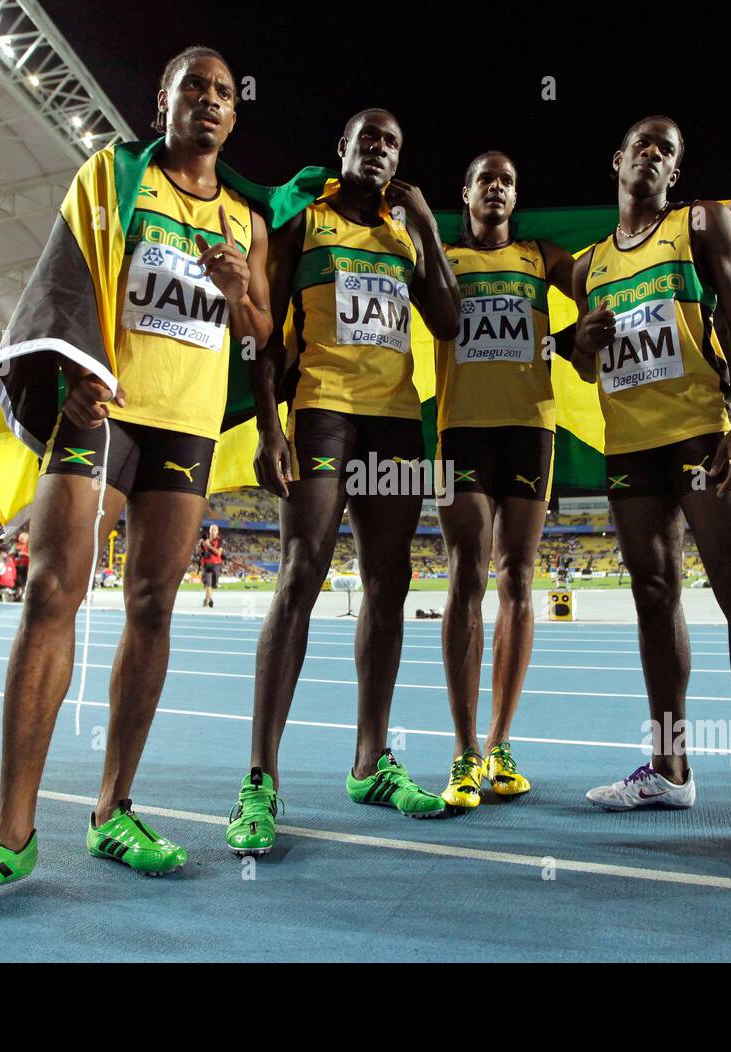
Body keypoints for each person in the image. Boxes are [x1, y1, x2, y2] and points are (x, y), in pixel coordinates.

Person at [0, 45, 273, 928]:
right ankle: (10, 833)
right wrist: (76, 367)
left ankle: (114, 809)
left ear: (234, 113)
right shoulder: (115, 175)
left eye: (222, 91)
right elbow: (69, 273)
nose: (209, 101)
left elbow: (260, 332)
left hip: (189, 421)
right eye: (193, 88)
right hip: (104, 400)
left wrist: (244, 291)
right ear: (162, 100)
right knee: (53, 590)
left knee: (153, 607)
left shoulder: (247, 220)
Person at [573, 116, 731, 872]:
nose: (653, 155)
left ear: (674, 174)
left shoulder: (702, 222)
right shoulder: (591, 265)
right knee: (653, 593)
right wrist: (585, 347)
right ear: (617, 159)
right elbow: (588, 367)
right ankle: (671, 767)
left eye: (668, 151)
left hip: (697, 430)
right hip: (629, 442)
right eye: (642, 145)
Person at [227, 107, 461, 855]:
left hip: (395, 418)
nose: (380, 151)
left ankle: (370, 761)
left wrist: (424, 224)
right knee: (302, 573)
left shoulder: (402, 232)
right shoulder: (308, 221)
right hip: (324, 410)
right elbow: (262, 333)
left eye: (393, 142)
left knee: (390, 583)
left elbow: (450, 319)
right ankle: (260, 777)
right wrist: (269, 426)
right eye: (369, 139)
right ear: (345, 149)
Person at [431, 150, 578, 808]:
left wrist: (695, 229)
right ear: (465, 193)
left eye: (508, 181)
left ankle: (500, 743)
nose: (496, 187)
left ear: (516, 197)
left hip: (530, 428)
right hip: (459, 429)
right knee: (467, 574)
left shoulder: (542, 257)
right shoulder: (440, 257)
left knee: (518, 577)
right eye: (485, 178)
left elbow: (611, 279)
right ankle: (463, 751)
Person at [199, 523, 222, 607]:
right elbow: (200, 552)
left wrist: (208, 546)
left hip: (216, 564)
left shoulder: (219, 541)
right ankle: (210, 600)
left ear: (217, 532)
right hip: (206, 564)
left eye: (214, 530)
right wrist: (200, 545)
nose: (213, 531)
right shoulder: (204, 540)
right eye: (211, 529)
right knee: (208, 583)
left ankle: (206, 598)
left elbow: (218, 553)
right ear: (209, 531)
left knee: (213, 584)